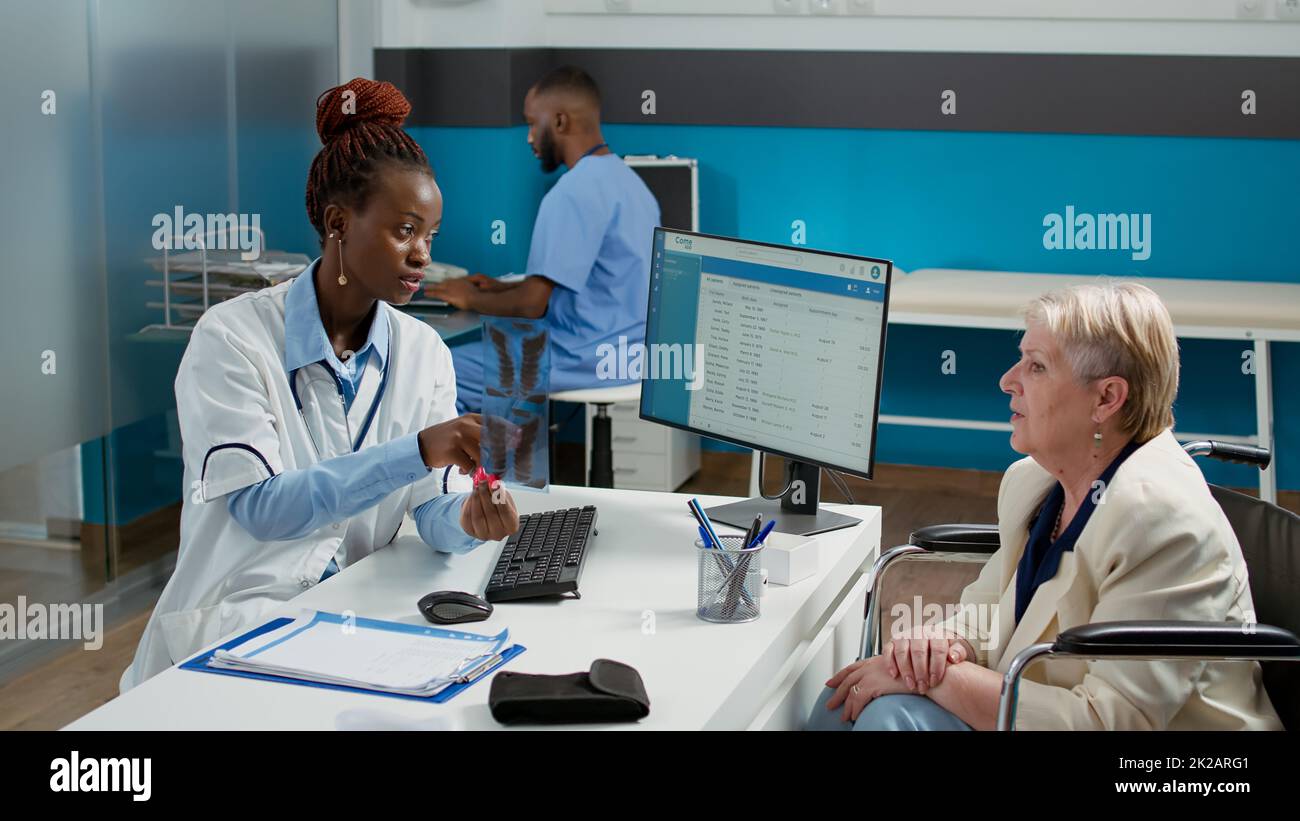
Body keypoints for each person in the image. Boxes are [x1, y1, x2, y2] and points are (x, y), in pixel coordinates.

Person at [121, 78, 519, 692]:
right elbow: (262, 508)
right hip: (234, 624)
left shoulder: (424, 354)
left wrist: (467, 519)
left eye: (430, 237)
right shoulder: (230, 339)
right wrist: (417, 450)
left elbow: (429, 510)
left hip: (350, 620)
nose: (422, 256)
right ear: (338, 222)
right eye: (405, 231)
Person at [807, 282, 1282, 730]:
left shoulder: (1163, 522)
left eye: (1036, 366)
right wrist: (936, 646)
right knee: (844, 704)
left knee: (879, 715)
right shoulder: (1035, 483)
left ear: (1107, 398)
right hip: (1031, 707)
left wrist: (936, 678)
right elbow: (988, 612)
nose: (1007, 381)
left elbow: (1104, 722)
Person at [427, 66, 660, 413]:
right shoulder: (632, 185)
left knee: (437, 372)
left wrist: (470, 296)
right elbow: (595, 282)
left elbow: (531, 304)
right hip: (634, 357)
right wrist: (499, 288)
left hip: (581, 357)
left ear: (561, 122)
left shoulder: (570, 192)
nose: (529, 137)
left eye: (533, 123)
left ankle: (470, 468)